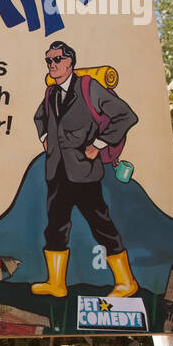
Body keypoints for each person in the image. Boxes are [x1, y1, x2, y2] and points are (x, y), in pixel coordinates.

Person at [31, 40, 139, 298]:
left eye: (56, 59)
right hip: (56, 171)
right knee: (55, 227)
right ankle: (56, 283)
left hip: (84, 173)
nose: (52, 65)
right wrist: (45, 137)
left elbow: (126, 115)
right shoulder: (51, 93)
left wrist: (99, 145)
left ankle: (126, 282)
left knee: (102, 225)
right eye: (49, 60)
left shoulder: (89, 88)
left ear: (70, 62)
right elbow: (40, 117)